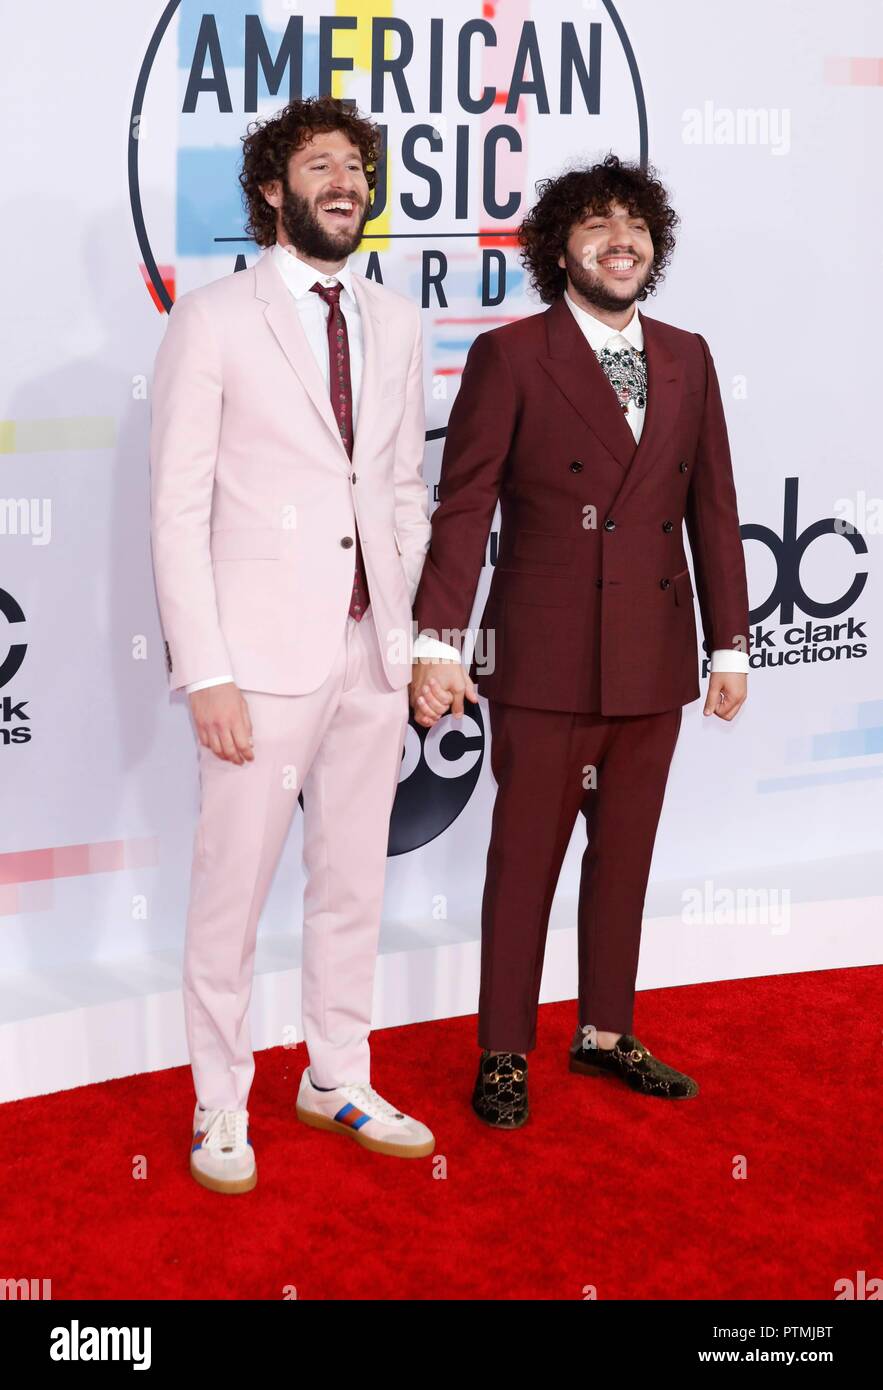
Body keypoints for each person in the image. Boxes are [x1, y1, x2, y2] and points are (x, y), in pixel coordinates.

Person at [410, 154, 750, 1127]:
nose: (620, 240)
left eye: (635, 225)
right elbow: (465, 503)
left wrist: (728, 642)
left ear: (655, 245)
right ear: (560, 246)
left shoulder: (687, 352)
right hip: (543, 658)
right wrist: (437, 637)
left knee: (626, 855)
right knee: (524, 861)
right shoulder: (512, 356)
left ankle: (605, 1030)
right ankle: (503, 1048)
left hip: (652, 654)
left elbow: (712, 507)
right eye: (598, 224)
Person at [150, 96, 435, 1192]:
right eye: (321, 165)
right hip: (257, 665)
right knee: (233, 886)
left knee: (352, 878)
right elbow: (176, 507)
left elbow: (401, 489)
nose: (346, 183)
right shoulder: (214, 320)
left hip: (370, 650)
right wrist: (205, 668)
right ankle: (220, 1101)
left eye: (358, 168)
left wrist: (407, 639)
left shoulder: (396, 321)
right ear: (273, 189)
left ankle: (336, 1073)